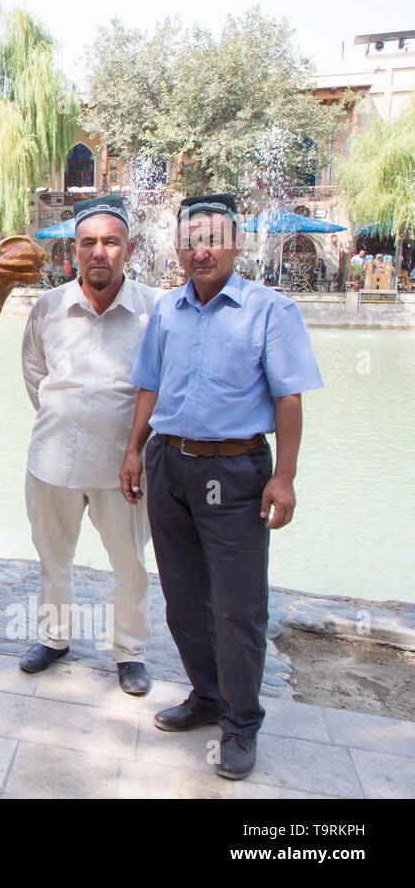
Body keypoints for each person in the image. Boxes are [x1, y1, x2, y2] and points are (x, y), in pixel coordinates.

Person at [120, 193, 323, 781]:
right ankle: (206, 696)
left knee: (238, 606)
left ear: (236, 243)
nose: (200, 249)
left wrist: (283, 477)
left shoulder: (270, 310)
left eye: (212, 238)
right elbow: (149, 387)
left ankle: (240, 722)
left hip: (234, 471)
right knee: (183, 597)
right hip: (168, 465)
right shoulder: (166, 310)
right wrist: (133, 451)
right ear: (177, 246)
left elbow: (289, 398)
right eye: (190, 239)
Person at [18, 196, 160, 695]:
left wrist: (131, 442)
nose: (100, 252)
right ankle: (55, 639)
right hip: (52, 459)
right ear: (73, 252)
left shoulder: (154, 311)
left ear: (129, 248)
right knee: (53, 557)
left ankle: (130, 652)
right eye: (89, 243)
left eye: (111, 242)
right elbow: (35, 375)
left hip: (124, 466)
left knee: (131, 564)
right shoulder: (47, 307)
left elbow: (160, 385)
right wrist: (68, 416)